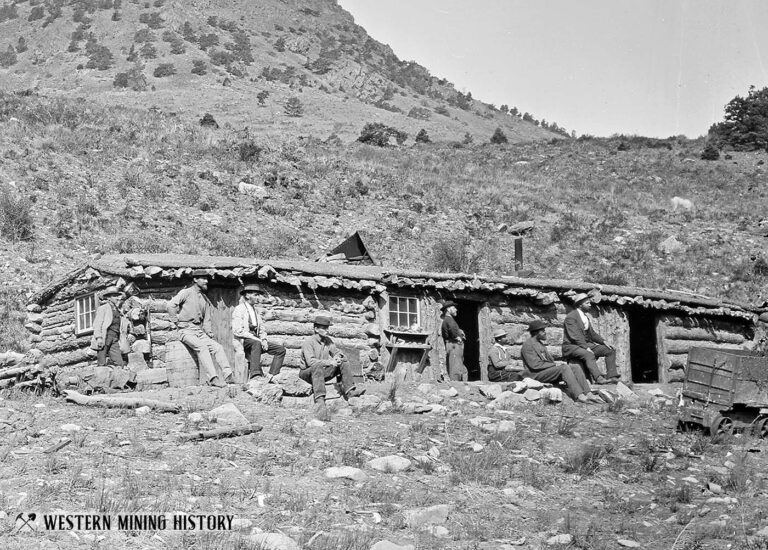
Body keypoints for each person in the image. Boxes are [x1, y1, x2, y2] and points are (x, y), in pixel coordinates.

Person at [167, 273, 233, 388]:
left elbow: (206, 319)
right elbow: (170, 305)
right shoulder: (186, 292)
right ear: (195, 279)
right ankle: (213, 378)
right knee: (202, 347)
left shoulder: (204, 298)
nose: (206, 281)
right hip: (185, 330)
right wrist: (175, 321)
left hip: (199, 331)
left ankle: (229, 376)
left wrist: (208, 331)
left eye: (207, 279)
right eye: (203, 279)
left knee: (218, 347)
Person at [300, 315, 365, 421]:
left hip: (321, 372)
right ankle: (320, 400)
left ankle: (350, 392)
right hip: (307, 373)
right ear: (316, 329)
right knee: (317, 366)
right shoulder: (309, 342)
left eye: (327, 328)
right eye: (324, 328)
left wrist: (338, 357)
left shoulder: (328, 341)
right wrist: (330, 362)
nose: (327, 330)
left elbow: (337, 352)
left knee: (343, 362)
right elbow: (310, 362)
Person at [521, 320, 602, 404]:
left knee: (575, 367)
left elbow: (548, 361)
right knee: (564, 368)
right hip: (535, 375)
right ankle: (579, 396)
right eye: (542, 331)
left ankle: (588, 393)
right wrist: (554, 365)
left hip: (544, 372)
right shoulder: (528, 345)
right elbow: (535, 365)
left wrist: (554, 365)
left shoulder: (540, 344)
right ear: (535, 332)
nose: (545, 332)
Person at [561, 293, 620, 384]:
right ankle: (599, 378)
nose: (590, 305)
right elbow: (575, 336)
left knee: (610, 350)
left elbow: (592, 334)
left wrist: (604, 342)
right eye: (587, 303)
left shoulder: (585, 317)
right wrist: (586, 348)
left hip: (584, 345)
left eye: (589, 303)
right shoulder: (571, 317)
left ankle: (612, 376)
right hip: (571, 346)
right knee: (589, 354)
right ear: (580, 305)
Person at [232, 283, 286, 381]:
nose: (258, 298)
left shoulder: (255, 311)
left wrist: (264, 339)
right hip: (243, 341)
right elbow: (237, 331)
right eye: (256, 295)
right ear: (247, 295)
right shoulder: (239, 309)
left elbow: (261, 328)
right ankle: (255, 374)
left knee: (280, 350)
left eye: (258, 295)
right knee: (256, 343)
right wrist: (257, 339)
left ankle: (272, 375)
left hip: (256, 340)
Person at [90, 286, 126, 367]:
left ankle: (119, 373)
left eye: (117, 296)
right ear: (109, 298)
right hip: (105, 336)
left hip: (115, 337)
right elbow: (97, 324)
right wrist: (99, 337)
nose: (117, 298)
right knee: (102, 361)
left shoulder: (118, 310)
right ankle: (100, 373)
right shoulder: (103, 308)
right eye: (114, 296)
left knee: (119, 363)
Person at [441, 301, 467, 381]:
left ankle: (460, 384)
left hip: (453, 344)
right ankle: (455, 384)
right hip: (454, 345)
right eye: (454, 308)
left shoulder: (449, 319)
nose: (456, 309)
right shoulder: (449, 319)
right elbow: (452, 328)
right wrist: (457, 336)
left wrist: (459, 332)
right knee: (455, 368)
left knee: (460, 367)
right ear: (448, 309)